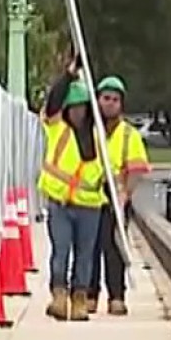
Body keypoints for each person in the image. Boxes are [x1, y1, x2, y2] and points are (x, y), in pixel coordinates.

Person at [36, 55, 109, 322]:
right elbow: (52, 103)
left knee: (85, 255)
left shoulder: (99, 134)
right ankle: (59, 296)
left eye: (83, 107)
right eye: (74, 107)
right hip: (61, 203)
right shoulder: (58, 129)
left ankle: (80, 298)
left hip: (90, 205)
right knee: (61, 250)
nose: (79, 112)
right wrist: (68, 75)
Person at [88, 76, 151, 316]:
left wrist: (125, 194)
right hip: (90, 194)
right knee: (89, 246)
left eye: (115, 99)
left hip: (116, 193)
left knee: (113, 247)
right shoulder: (89, 131)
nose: (110, 103)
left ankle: (116, 296)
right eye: (106, 98)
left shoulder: (128, 134)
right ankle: (90, 294)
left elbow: (137, 168)